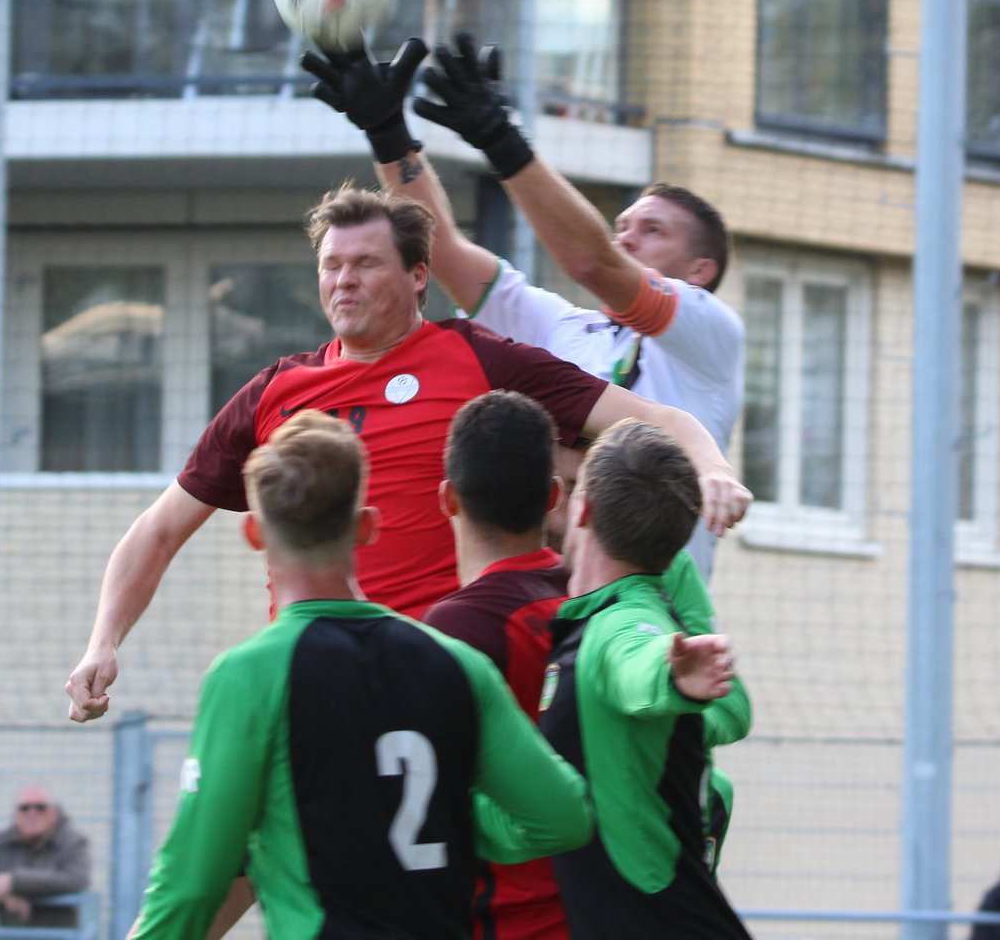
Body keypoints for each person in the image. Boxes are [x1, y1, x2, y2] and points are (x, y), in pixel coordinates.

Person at [66, 184, 752, 722]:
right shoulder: (276, 391)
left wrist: (714, 467)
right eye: (331, 266)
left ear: (419, 276)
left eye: (365, 264)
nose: (344, 281)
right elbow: (158, 531)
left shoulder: (480, 358)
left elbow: (658, 418)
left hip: (448, 676)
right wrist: (103, 642)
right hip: (318, 678)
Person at [130, 411, 592, 940]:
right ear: (367, 527)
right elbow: (563, 818)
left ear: (253, 532)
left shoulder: (248, 675)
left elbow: (192, 886)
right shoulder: (456, 662)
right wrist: (452, 819)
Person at [304, 36, 744, 578]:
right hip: (552, 606)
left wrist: (500, 138)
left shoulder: (711, 335)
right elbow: (444, 253)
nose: (626, 238)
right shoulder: (566, 328)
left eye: (653, 230)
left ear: (701, 271)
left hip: (654, 609)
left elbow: (593, 262)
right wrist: (387, 133)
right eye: (622, 226)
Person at [538, 418, 752, 939]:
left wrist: (669, 681)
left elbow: (637, 658)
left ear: (582, 508)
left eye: (573, 486)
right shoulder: (597, 615)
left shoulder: (619, 624)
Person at [0, 787, 90, 930]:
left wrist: (14, 881)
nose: (32, 813)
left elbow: (76, 879)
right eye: (24, 808)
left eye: (40, 807)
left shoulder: (72, 843)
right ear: (14, 814)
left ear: (54, 812)